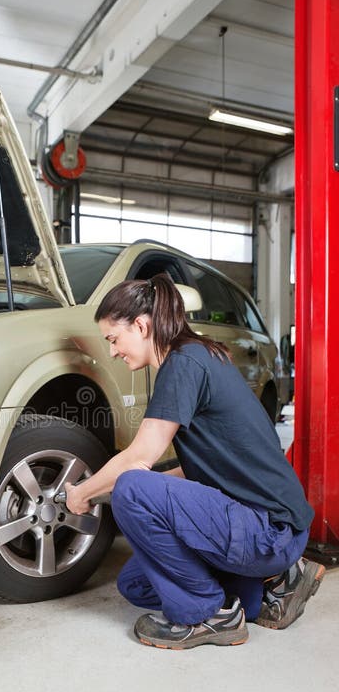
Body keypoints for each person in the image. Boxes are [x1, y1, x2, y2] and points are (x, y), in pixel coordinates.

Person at [65, 274, 324, 650]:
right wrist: (148, 486)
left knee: (132, 487)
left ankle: (208, 615)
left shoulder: (183, 364)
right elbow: (199, 466)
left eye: (113, 339)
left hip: (268, 529)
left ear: (141, 325)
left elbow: (140, 456)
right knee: (135, 583)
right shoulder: (198, 354)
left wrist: (82, 493)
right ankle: (269, 587)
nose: (113, 352)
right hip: (269, 528)